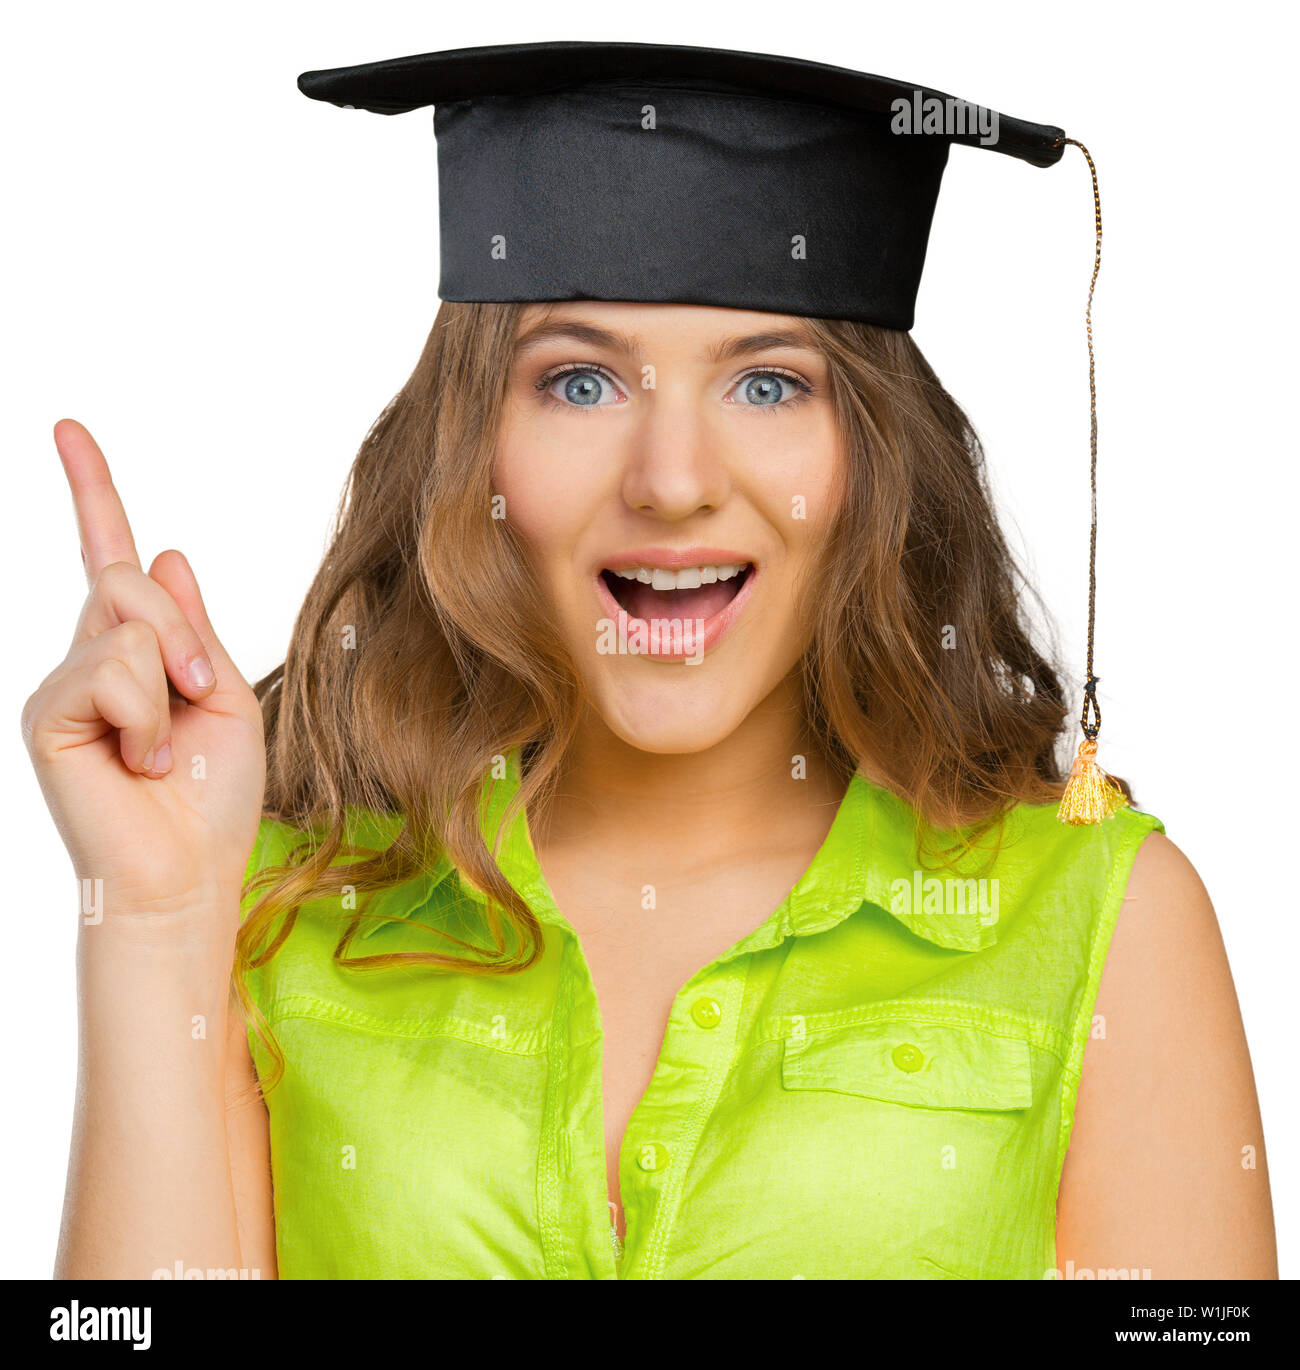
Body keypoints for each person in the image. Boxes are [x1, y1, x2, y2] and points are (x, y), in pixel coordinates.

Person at [25, 42, 1277, 1280]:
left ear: (869, 459)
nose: (671, 481)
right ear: (474, 447)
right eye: (579, 382)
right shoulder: (286, 909)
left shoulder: (1100, 919)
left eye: (768, 385)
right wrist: (151, 922)